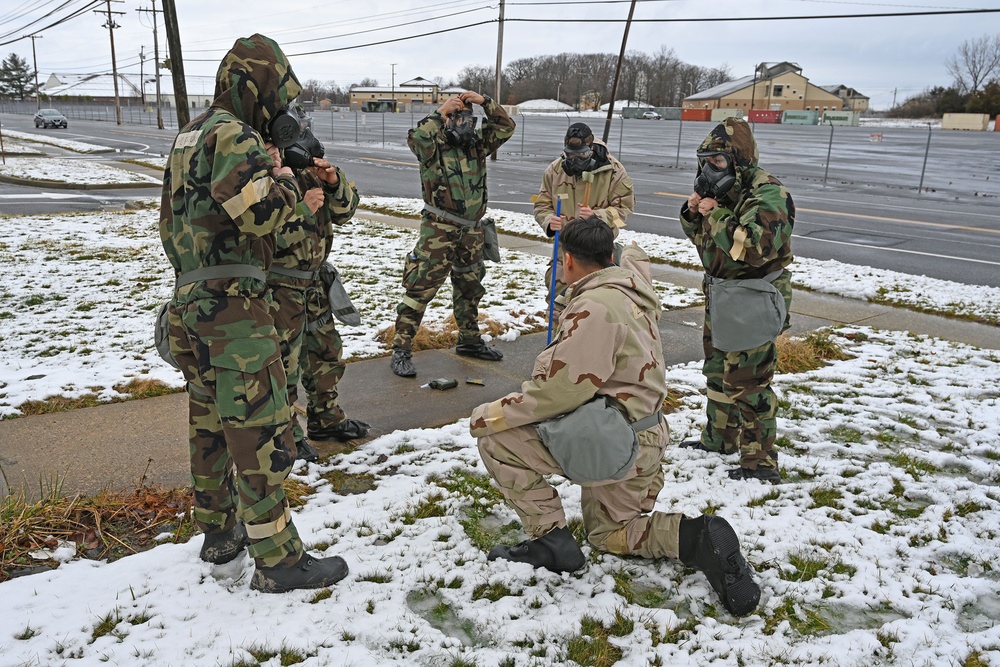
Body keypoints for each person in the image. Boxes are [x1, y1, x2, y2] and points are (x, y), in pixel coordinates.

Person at [470, 216, 761, 618]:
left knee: (496, 441)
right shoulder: (629, 287)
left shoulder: (593, 308)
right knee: (610, 534)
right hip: (644, 434)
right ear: (611, 256)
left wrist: (491, 415)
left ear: (568, 261)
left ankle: (551, 542)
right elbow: (636, 254)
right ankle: (693, 538)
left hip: (616, 443)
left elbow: (561, 390)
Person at [159, 34, 348, 593]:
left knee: (209, 427)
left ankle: (219, 537)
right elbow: (260, 216)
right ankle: (279, 559)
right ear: (255, 87)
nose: (278, 108)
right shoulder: (234, 135)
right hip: (234, 313)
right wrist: (294, 190)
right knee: (258, 433)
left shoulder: (190, 135)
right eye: (274, 93)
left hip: (189, 304)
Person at [678, 117, 795, 483]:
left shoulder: (768, 194)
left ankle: (760, 462)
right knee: (717, 373)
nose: (710, 170)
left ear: (739, 160)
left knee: (749, 383)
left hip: (753, 299)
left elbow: (752, 247)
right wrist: (693, 213)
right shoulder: (727, 194)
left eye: (717, 162)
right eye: (705, 162)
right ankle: (719, 439)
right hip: (723, 295)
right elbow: (709, 244)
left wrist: (714, 215)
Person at [390, 91, 516, 377]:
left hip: (471, 230)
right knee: (421, 288)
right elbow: (417, 137)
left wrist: (485, 102)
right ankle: (401, 349)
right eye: (457, 118)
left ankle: (469, 340)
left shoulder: (477, 145)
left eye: (467, 119)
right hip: (439, 229)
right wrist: (440, 111)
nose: (463, 124)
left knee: (470, 287)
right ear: (448, 120)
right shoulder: (434, 147)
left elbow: (506, 126)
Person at [265, 123, 370, 463]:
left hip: (314, 284)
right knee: (285, 366)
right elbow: (265, 236)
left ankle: (326, 419)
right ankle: (289, 435)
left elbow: (345, 212)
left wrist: (334, 182)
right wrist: (302, 210)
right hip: (280, 287)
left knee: (325, 354)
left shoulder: (309, 177)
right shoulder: (265, 182)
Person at [533, 122, 634, 294]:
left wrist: (599, 216)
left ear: (591, 148)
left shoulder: (614, 171)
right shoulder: (555, 170)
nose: (576, 160)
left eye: (582, 154)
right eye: (570, 155)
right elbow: (541, 203)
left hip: (598, 251)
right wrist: (549, 221)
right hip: (566, 250)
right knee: (560, 303)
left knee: (598, 303)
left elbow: (623, 212)